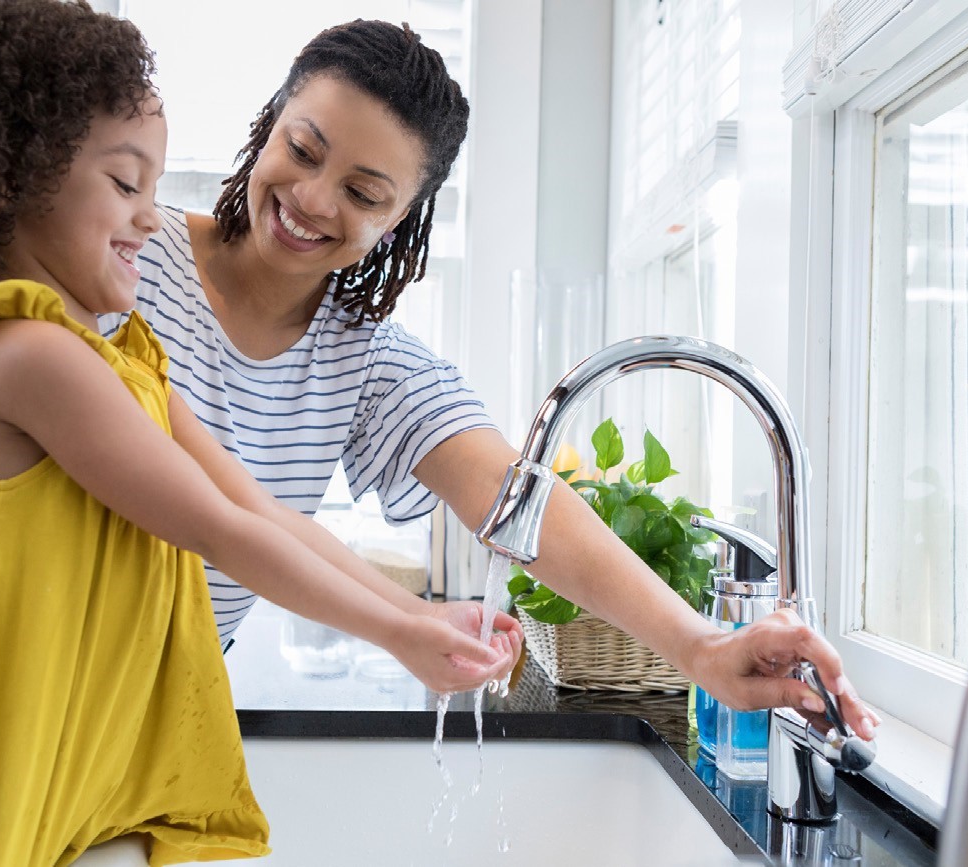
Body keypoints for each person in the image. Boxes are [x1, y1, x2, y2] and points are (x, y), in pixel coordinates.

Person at [0, 2, 517, 865]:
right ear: (13, 178)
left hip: (44, 755)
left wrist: (419, 615)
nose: (152, 217)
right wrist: (403, 635)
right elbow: (221, 530)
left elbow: (262, 509)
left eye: (152, 188)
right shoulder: (32, 356)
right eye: (124, 184)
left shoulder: (119, 358)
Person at [112, 17, 881, 738]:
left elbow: (514, 495)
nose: (312, 199)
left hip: (151, 721)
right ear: (271, 121)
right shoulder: (121, 259)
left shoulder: (367, 360)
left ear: (402, 219)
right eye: (304, 150)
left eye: (362, 193)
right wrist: (398, 621)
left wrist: (703, 647)